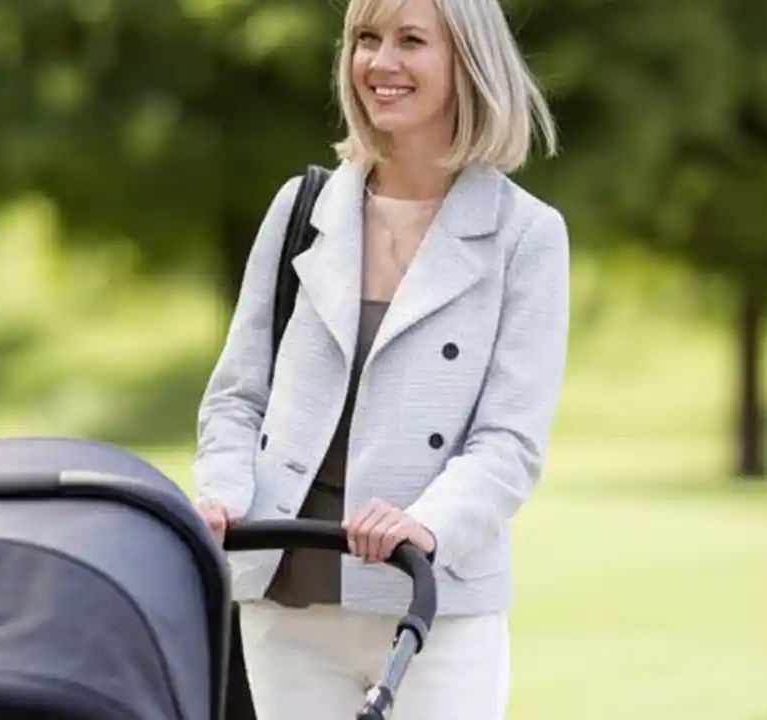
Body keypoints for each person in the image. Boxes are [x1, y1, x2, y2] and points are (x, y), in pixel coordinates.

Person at [192, 0, 568, 716]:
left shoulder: (526, 235)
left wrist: (424, 523)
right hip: (286, 602)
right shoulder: (303, 209)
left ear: (466, 62)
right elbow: (237, 400)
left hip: (431, 607)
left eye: (410, 41)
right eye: (366, 39)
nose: (380, 63)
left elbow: (510, 443)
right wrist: (224, 495)